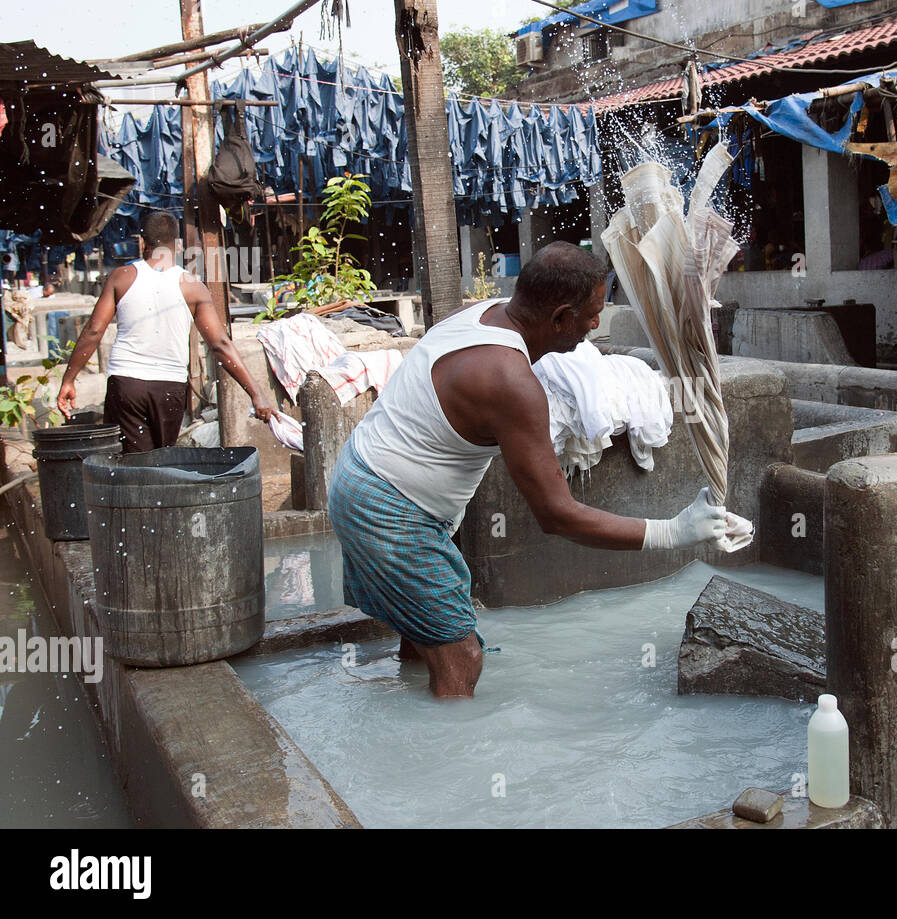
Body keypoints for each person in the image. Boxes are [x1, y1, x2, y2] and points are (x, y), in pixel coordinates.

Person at [328, 241, 733, 699]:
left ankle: (409, 713)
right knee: (463, 656)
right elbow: (557, 516)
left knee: (426, 638)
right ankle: (451, 757)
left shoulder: (486, 314)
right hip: (388, 509)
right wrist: (676, 531)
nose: (596, 325)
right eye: (591, 314)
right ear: (559, 317)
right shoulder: (511, 384)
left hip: (360, 475)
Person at [56, 210, 275, 450]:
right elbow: (220, 344)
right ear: (179, 246)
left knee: (130, 464)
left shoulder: (121, 277)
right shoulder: (193, 287)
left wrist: (69, 379)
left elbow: (94, 331)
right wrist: (256, 393)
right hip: (169, 388)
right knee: (162, 462)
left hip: (127, 384)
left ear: (141, 242)